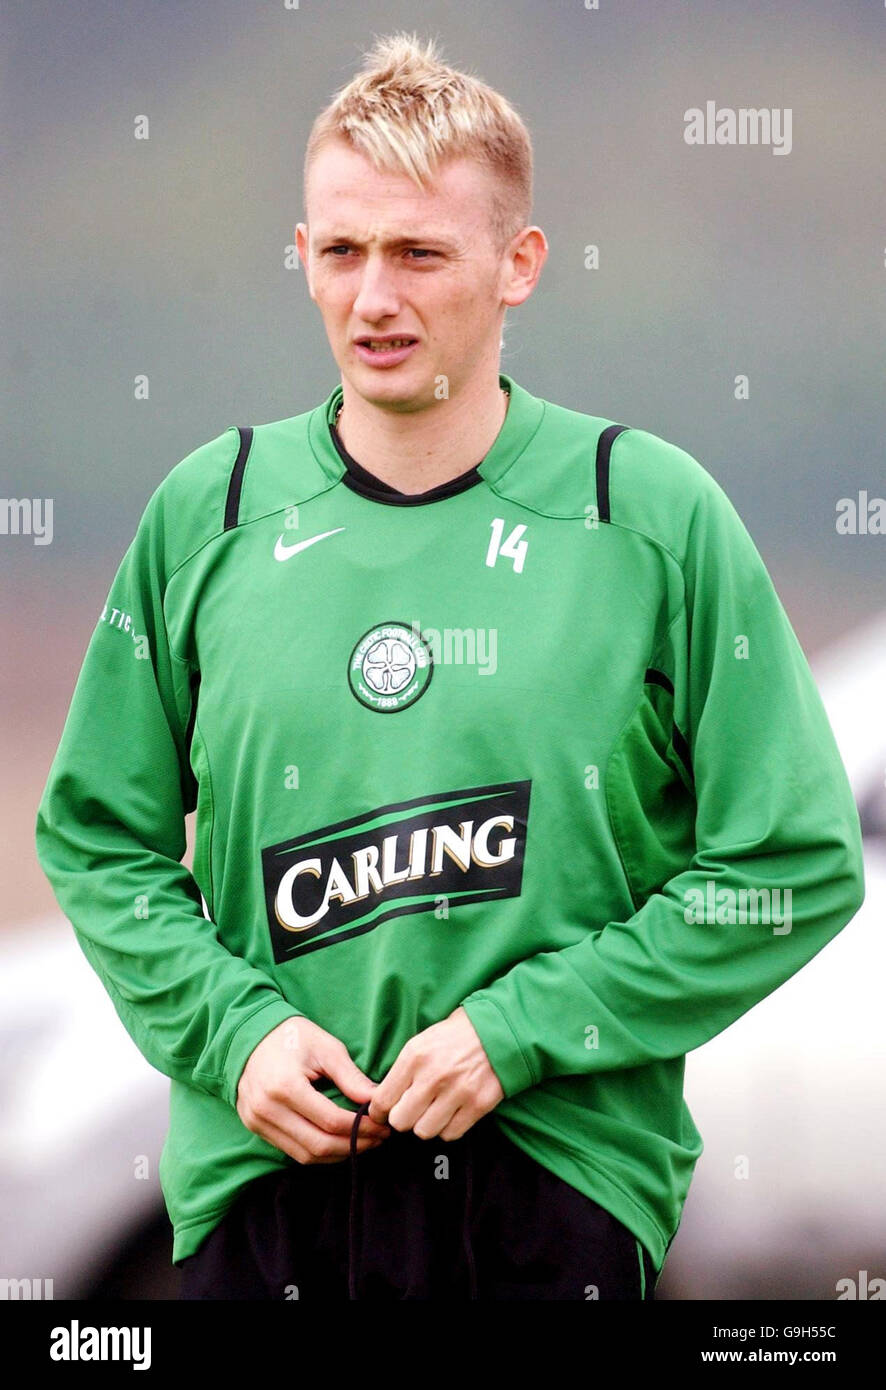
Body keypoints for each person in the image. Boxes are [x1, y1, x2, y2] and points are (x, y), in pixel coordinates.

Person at [35, 31, 865, 1302]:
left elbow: (791, 862)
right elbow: (98, 839)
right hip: (263, 1187)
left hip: (550, 1193)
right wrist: (235, 1033)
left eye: (420, 252)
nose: (376, 297)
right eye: (343, 249)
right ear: (302, 253)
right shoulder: (209, 511)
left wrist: (521, 1031)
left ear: (517, 263)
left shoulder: (644, 515)